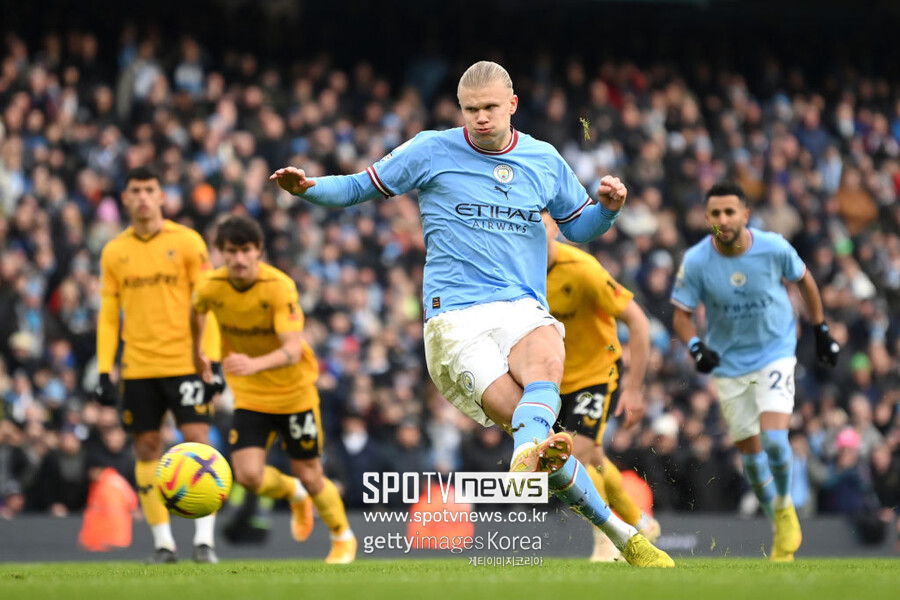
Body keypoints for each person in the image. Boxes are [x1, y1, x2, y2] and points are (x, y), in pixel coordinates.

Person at [271, 60, 673, 567]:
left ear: (512, 106)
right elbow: (358, 187)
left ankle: (621, 537)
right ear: (460, 110)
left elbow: (578, 228)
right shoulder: (430, 149)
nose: (480, 118)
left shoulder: (544, 159)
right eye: (470, 109)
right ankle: (607, 521)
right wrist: (310, 188)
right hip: (454, 321)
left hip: (522, 307)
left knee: (547, 370)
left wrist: (609, 209)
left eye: (489, 108)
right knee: (543, 437)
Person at [671, 181, 840, 562]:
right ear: (706, 218)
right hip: (729, 366)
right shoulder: (697, 261)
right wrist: (696, 347)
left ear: (745, 215)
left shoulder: (774, 247)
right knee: (751, 459)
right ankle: (778, 517)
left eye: (730, 212)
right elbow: (682, 316)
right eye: (715, 213)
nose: (723, 219)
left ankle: (785, 505)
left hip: (775, 353)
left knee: (777, 441)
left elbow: (806, 282)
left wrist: (820, 328)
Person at [191, 215, 356, 564]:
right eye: (231, 251)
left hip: (294, 394)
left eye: (246, 251)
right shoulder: (210, 286)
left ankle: (343, 537)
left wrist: (253, 363)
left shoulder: (279, 287)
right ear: (221, 252)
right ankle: (292, 492)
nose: (238, 259)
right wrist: (202, 352)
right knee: (248, 476)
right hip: (251, 397)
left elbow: (293, 350)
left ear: (259, 252)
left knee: (311, 474)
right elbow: (199, 312)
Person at [95, 166, 220, 563]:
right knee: (147, 448)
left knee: (197, 440)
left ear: (162, 196)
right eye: (136, 191)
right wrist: (103, 368)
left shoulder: (187, 242)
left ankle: (204, 541)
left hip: (184, 362)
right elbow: (108, 314)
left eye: (151, 189)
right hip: (138, 367)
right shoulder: (115, 251)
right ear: (126, 199)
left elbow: (208, 304)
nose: (144, 197)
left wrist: (211, 360)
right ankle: (163, 543)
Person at [543, 212, 661, 561]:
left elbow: (638, 321)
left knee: (577, 454)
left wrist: (635, 388)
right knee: (591, 456)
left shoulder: (583, 269)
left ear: (553, 231)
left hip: (596, 373)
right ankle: (639, 520)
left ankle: (607, 540)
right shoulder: (516, 273)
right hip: (551, 379)